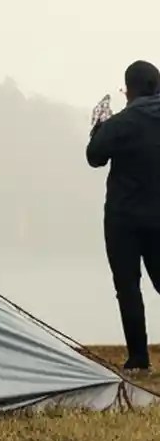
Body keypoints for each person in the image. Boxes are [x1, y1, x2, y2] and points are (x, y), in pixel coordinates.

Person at [87, 60, 160, 372]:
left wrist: (99, 127)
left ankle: (139, 359)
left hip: (123, 219)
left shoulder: (122, 122)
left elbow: (94, 157)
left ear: (129, 89)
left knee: (128, 287)